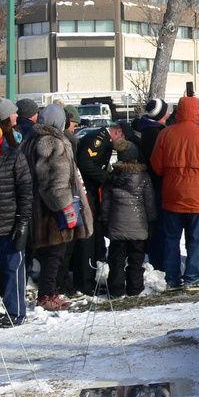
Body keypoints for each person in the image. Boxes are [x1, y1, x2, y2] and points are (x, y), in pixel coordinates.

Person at [21, 103, 93, 312]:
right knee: (55, 253)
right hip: (50, 212)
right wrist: (65, 207)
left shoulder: (29, 140)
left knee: (45, 254)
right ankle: (47, 294)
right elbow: (55, 183)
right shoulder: (54, 143)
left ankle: (48, 292)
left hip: (34, 208)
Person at [150, 95, 199, 292]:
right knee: (198, 238)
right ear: (196, 112)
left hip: (172, 193)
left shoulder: (165, 134)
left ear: (178, 111)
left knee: (171, 237)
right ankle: (192, 277)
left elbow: (157, 165)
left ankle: (172, 278)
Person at [0, 98, 34, 328]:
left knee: (11, 267)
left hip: (9, 223)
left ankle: (15, 312)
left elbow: (25, 190)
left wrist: (23, 222)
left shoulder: (13, 155)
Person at [74, 122, 124, 294]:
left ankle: (89, 279)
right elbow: (85, 163)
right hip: (87, 190)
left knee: (94, 236)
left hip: (91, 191)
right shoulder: (99, 139)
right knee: (88, 235)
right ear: (117, 132)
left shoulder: (105, 140)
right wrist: (105, 178)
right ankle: (85, 282)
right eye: (122, 138)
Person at [102, 141, 157, 297]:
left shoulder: (113, 177)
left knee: (116, 259)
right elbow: (149, 202)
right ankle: (135, 288)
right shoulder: (143, 177)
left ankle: (116, 289)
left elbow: (106, 203)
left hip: (117, 225)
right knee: (136, 259)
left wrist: (105, 220)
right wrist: (151, 220)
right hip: (138, 226)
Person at [138, 97, 170, 273]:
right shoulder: (155, 133)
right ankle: (159, 261)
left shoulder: (146, 129)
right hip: (156, 184)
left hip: (150, 182)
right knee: (158, 224)